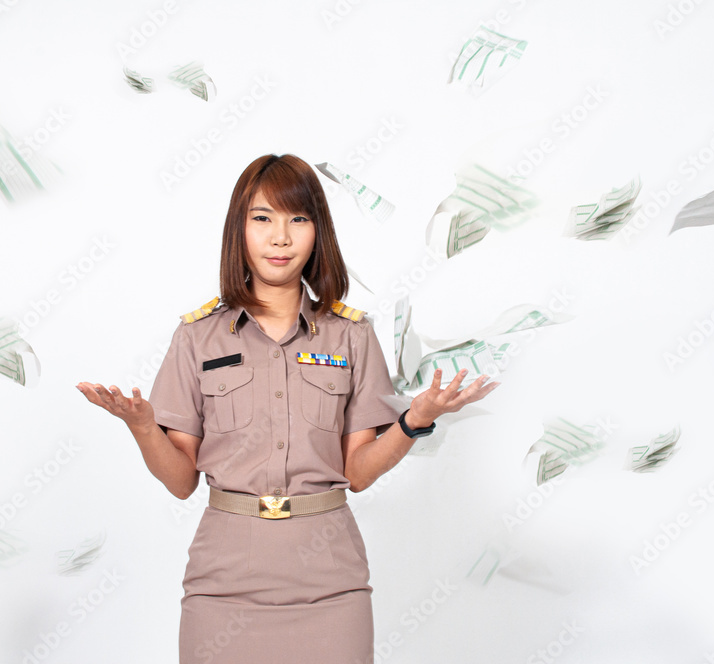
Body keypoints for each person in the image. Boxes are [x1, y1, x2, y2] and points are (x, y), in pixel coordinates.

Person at [76, 154, 499, 662]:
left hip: (329, 582)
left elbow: (357, 473)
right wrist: (144, 427)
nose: (281, 238)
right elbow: (181, 481)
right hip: (223, 581)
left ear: (318, 231)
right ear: (240, 229)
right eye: (263, 219)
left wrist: (415, 421)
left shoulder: (352, 335)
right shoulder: (197, 337)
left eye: (298, 219)